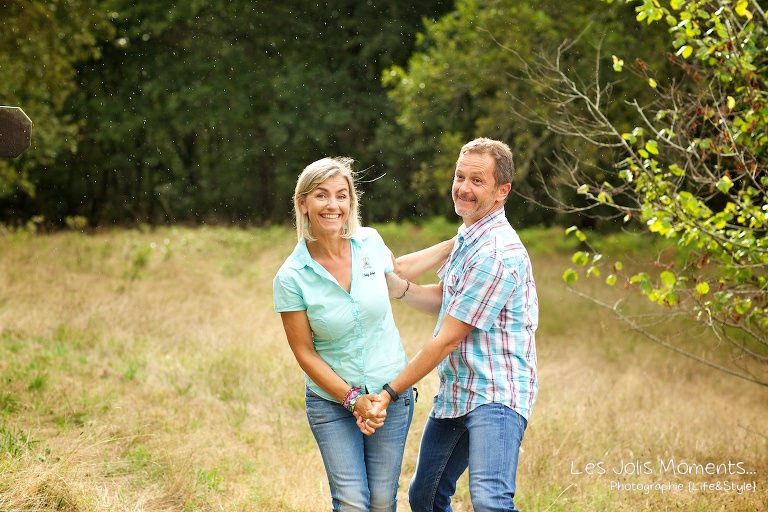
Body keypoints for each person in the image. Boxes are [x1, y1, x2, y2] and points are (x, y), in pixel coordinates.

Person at [365, 138, 539, 512]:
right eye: (460, 176)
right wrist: (398, 287)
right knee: (425, 498)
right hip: (460, 389)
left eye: (477, 180)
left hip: (496, 392)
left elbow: (446, 339)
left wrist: (390, 392)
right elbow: (445, 300)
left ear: (502, 191)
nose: (463, 187)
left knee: (491, 500)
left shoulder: (495, 253)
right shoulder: (470, 236)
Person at [272, 156, 453, 512]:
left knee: (384, 501)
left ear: (351, 202)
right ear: (302, 203)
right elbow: (304, 352)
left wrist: (456, 241)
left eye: (342, 195)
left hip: (392, 395)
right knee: (353, 502)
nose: (333, 205)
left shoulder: (369, 242)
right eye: (322, 195)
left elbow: (398, 269)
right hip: (332, 403)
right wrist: (353, 398)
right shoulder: (291, 277)